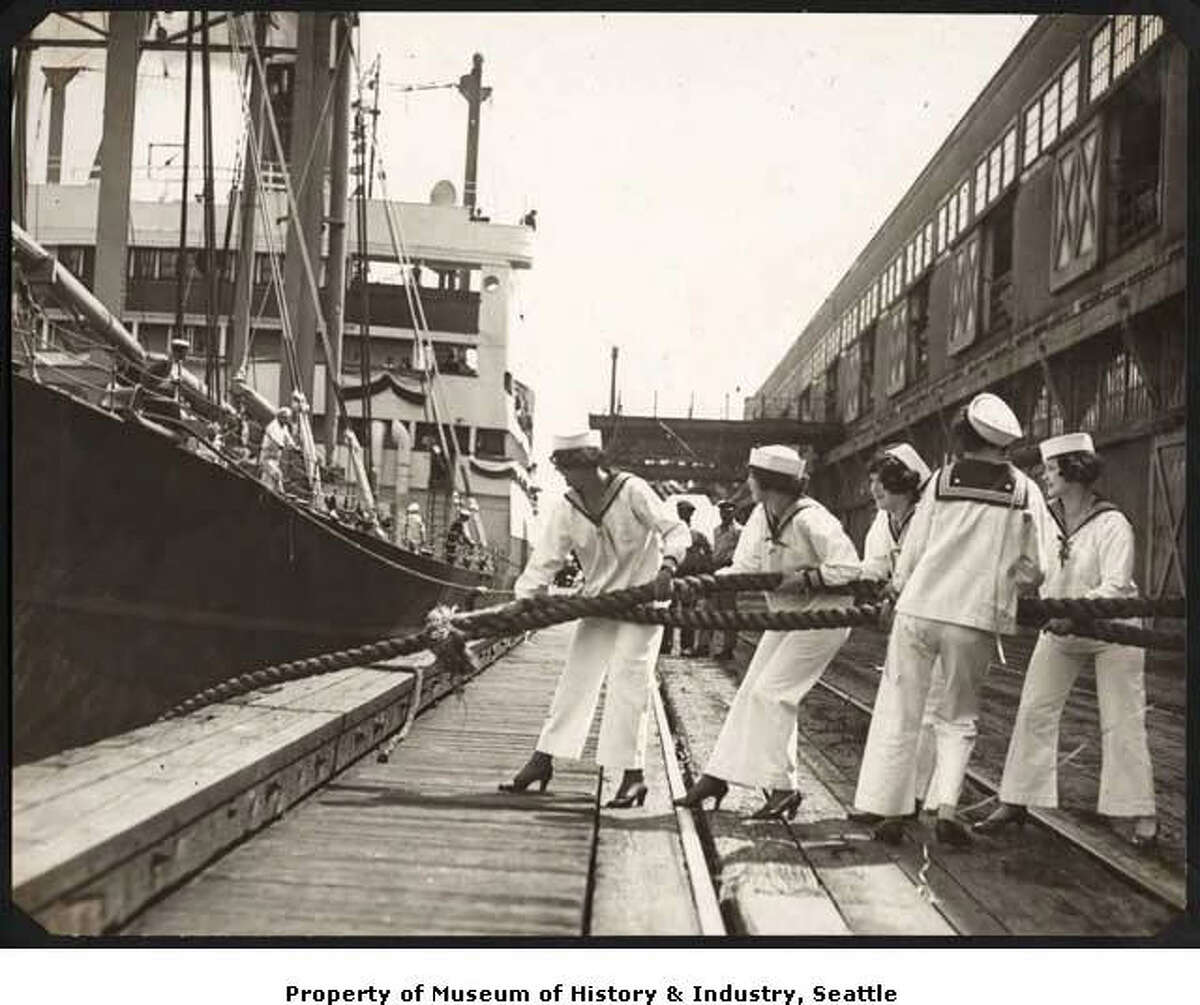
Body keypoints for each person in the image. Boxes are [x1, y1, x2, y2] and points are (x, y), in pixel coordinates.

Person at [852, 393, 1048, 847]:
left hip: (918, 609)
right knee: (958, 717)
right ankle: (945, 810)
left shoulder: (940, 482)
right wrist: (1014, 583)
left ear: (963, 439)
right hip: (972, 617)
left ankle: (893, 812)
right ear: (1002, 442)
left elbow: (914, 549)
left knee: (904, 712)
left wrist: (897, 589)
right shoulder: (1022, 490)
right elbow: (1036, 565)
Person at [975, 432, 1158, 848]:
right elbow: (1028, 569)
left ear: (1075, 471)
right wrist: (1019, 583)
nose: (1045, 477)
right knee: (1034, 709)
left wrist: (1069, 612)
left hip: (1115, 630)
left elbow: (1114, 587)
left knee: (1123, 717)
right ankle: (1016, 800)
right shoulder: (1042, 520)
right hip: (1059, 628)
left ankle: (1136, 811)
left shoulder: (1113, 523)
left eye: (1053, 470)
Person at [500, 429, 690, 809]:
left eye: (571, 469)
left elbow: (675, 530)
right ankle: (543, 759)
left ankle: (632, 776)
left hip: (641, 604)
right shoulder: (568, 507)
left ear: (592, 465)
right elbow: (546, 560)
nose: (566, 477)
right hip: (599, 605)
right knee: (576, 679)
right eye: (563, 469)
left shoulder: (632, 490)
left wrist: (668, 566)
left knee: (628, 680)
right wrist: (524, 601)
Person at [674, 445, 860, 820]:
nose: (747, 483)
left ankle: (783, 788)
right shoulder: (762, 515)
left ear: (768, 483)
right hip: (786, 616)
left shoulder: (812, 519)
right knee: (749, 693)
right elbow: (744, 568)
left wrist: (808, 578)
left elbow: (849, 566)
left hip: (826, 615)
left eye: (751, 477)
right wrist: (704, 583)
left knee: (773, 695)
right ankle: (717, 775)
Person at [852, 443, 949, 824]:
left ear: (905, 484)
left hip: (935, 618)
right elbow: (874, 564)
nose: (874, 491)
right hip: (905, 623)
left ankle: (916, 797)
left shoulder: (930, 517)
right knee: (894, 708)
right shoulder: (884, 520)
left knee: (931, 710)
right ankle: (887, 798)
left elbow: (930, 566)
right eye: (873, 482)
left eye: (882, 483)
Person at [661, 500, 712, 656]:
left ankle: (686, 645)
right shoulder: (671, 534)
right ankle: (666, 644)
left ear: (691, 515)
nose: (685, 515)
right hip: (673, 575)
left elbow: (709, 554)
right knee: (669, 610)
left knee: (687, 613)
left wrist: (703, 573)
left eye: (688, 512)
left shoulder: (697, 536)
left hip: (690, 577)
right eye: (682, 512)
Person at [702, 500, 743, 659]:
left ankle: (728, 648)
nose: (725, 514)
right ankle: (705, 646)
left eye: (728, 511)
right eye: (722, 511)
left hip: (730, 571)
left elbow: (740, 554)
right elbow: (715, 552)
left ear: (733, 512)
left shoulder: (739, 531)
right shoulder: (716, 530)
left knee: (729, 611)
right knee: (710, 609)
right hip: (715, 571)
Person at [259, 406, 298, 493]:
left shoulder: (284, 427)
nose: (287, 420)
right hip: (267, 457)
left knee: (268, 479)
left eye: (287, 418)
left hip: (276, 458)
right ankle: (281, 493)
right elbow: (274, 437)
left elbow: (288, 438)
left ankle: (267, 494)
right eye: (285, 418)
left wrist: (294, 447)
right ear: (280, 417)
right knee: (277, 474)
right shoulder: (272, 426)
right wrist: (280, 445)